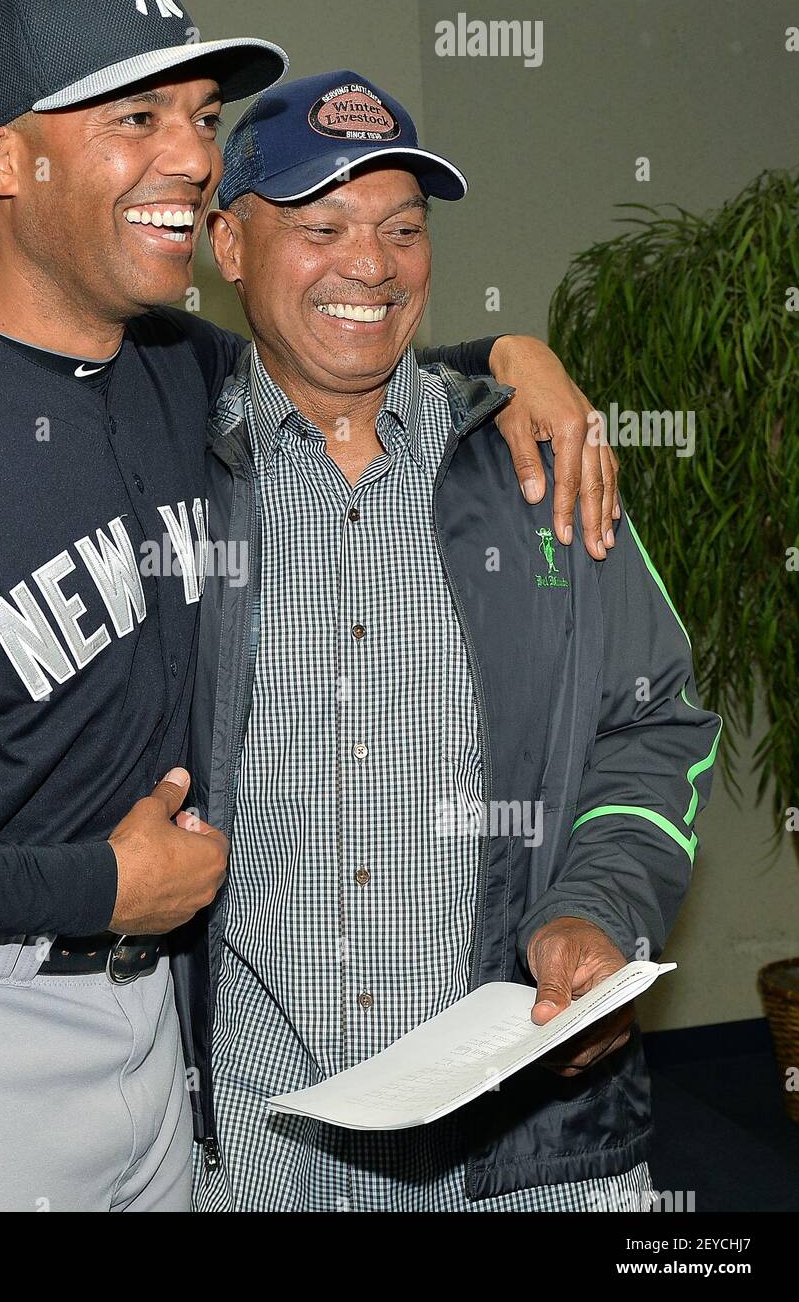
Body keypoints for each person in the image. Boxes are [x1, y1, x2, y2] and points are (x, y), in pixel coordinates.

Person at [0, 0, 617, 1213]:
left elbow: (343, 329)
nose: (193, 156)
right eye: (136, 119)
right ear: (1, 160)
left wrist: (510, 357)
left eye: (202, 120)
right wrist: (95, 887)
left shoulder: (176, 374)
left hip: (146, 1031)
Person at [176, 71, 723, 1211]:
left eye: (401, 230)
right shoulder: (170, 487)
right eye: (318, 227)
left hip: (526, 1143)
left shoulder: (542, 475)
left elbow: (652, 720)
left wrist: (596, 906)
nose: (368, 265)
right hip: (256, 1152)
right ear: (227, 243)